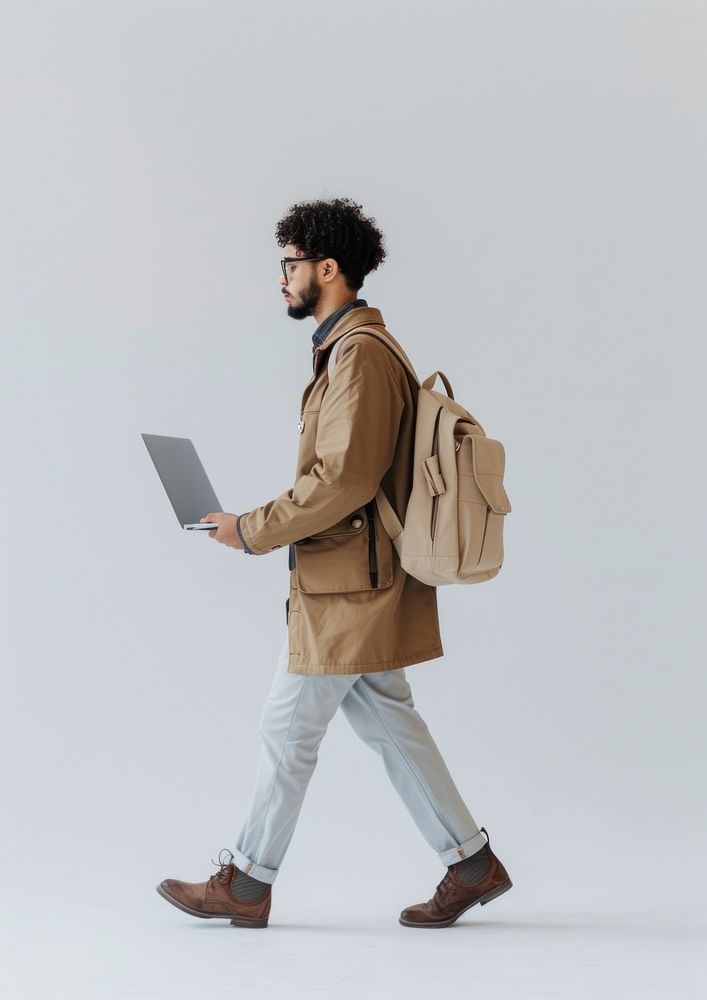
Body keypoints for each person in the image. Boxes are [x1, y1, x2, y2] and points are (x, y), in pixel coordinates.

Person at [156, 197, 512, 929]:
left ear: (328, 267)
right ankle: (471, 863)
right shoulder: (346, 348)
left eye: (289, 264)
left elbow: (345, 479)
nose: (281, 279)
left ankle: (246, 883)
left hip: (349, 582)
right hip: (353, 575)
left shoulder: (358, 355)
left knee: (287, 732)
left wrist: (252, 528)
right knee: (388, 721)